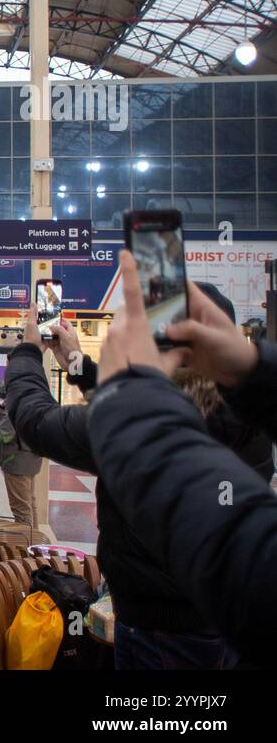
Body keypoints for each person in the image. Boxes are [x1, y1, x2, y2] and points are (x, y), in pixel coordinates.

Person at [5, 279, 271, 669]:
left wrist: (28, 350)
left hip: (157, 627)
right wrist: (78, 364)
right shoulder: (252, 415)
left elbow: (34, 420)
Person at [86, 251, 277, 663]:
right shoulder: (249, 420)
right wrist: (250, 372)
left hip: (152, 621)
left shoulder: (144, 421)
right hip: (217, 620)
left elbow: (38, 421)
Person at [0, 361, 41, 528]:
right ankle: (36, 546)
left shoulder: (18, 400)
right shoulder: (30, 388)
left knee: (21, 510)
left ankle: (25, 549)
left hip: (17, 459)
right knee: (29, 504)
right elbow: (5, 390)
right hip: (31, 456)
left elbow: (5, 434)